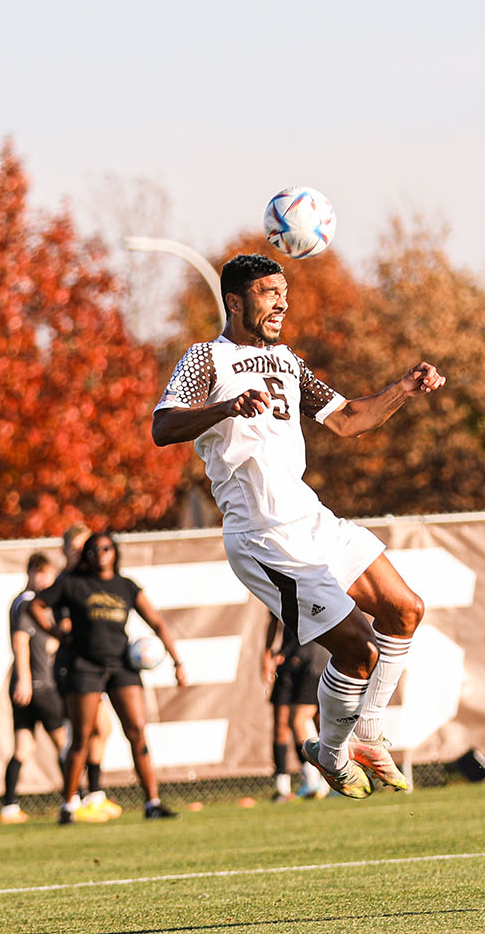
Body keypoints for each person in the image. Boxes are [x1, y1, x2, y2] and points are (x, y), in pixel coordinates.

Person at [152, 253, 444, 799]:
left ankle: (369, 733)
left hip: (312, 519)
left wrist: (403, 386)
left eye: (284, 291)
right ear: (235, 302)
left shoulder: (287, 362)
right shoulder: (206, 361)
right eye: (268, 292)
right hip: (264, 536)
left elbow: (349, 419)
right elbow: (163, 426)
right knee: (359, 649)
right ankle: (330, 753)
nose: (282, 301)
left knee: (406, 609)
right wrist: (225, 408)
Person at [30, 531, 186, 821]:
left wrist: (177, 661)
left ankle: (152, 802)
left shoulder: (125, 586)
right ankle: (69, 806)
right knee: (82, 737)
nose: (101, 554)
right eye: (94, 550)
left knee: (137, 730)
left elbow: (157, 621)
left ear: (115, 552)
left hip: (120, 665)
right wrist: (56, 632)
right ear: (87, 555)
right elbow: (36, 606)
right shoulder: (73, 583)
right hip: (85, 666)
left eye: (106, 548)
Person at [0, 552, 69, 823]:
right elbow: (20, 641)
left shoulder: (40, 604)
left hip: (26, 684)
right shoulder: (26, 602)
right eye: (39, 573)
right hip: (37, 684)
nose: (44, 578)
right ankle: (77, 797)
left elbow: (49, 637)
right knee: (65, 743)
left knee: (23, 747)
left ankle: (9, 807)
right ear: (29, 573)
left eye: (48, 573)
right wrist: (25, 678)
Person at [58, 522, 118, 820]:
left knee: (101, 730)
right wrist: (62, 631)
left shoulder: (86, 579)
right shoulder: (67, 581)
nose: (85, 554)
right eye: (78, 548)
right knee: (80, 736)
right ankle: (74, 801)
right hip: (73, 666)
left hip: (92, 666)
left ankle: (92, 795)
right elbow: (51, 614)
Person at [263, 615, 329, 801]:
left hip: (310, 660)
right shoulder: (277, 588)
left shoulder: (317, 590)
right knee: (286, 722)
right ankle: (292, 783)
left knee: (303, 721)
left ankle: (320, 779)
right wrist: (267, 656)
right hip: (289, 660)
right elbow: (272, 622)